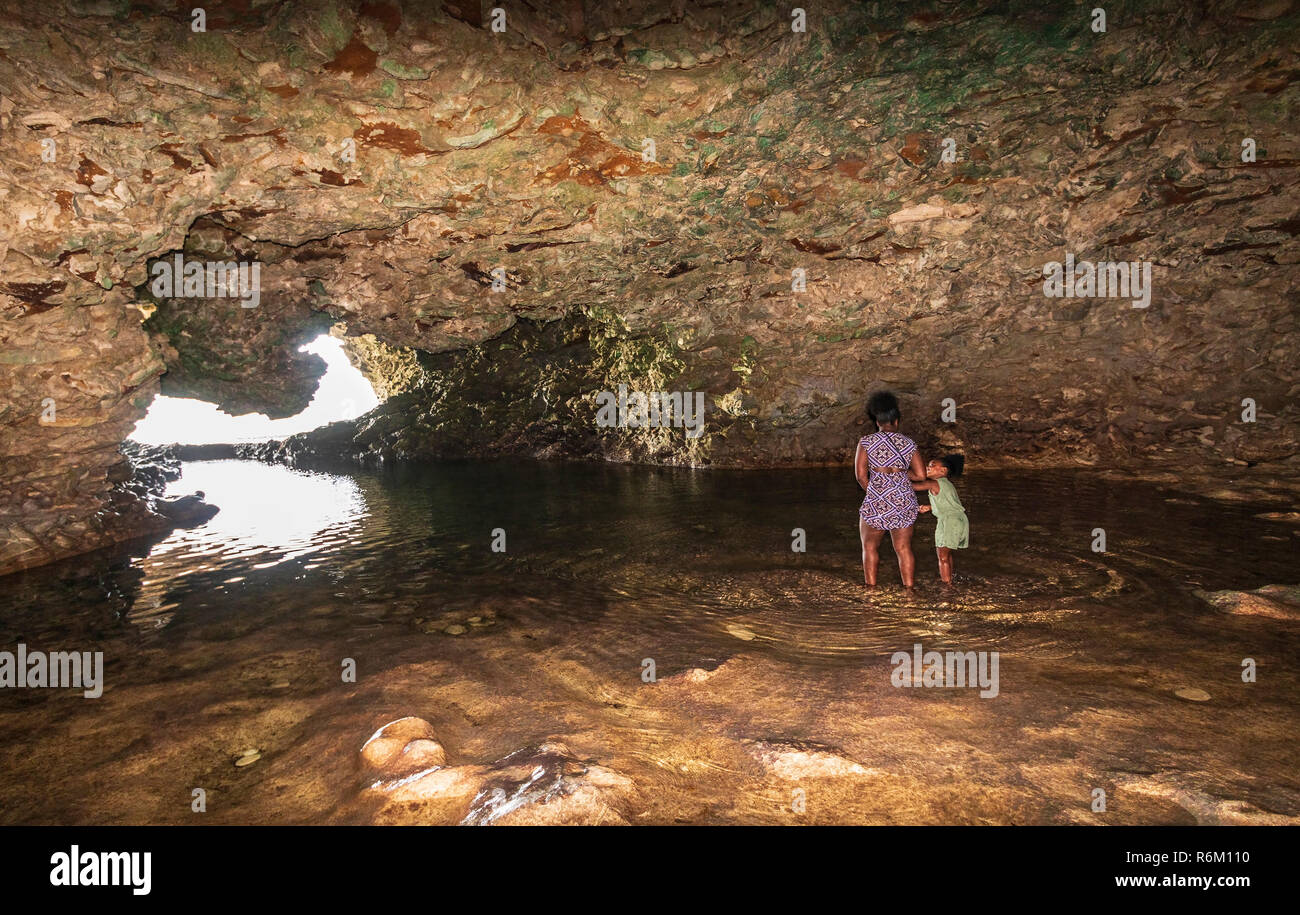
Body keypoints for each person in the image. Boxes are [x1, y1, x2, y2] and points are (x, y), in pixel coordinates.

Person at [855, 391, 925, 587]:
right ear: (897, 420)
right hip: (903, 499)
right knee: (903, 548)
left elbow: (860, 476)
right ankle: (909, 590)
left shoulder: (867, 442)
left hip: (877, 499)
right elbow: (920, 475)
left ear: (877, 421)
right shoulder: (908, 443)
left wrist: (876, 492)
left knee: (869, 547)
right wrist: (900, 474)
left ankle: (871, 590)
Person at [914, 454, 968, 585]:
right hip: (959, 520)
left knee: (942, 557)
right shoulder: (947, 484)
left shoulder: (934, 483)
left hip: (948, 522)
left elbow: (914, 487)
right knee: (947, 554)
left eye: (932, 465)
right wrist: (930, 507)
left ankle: (946, 587)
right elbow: (950, 504)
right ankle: (949, 579)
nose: (927, 467)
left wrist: (894, 477)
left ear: (943, 471)